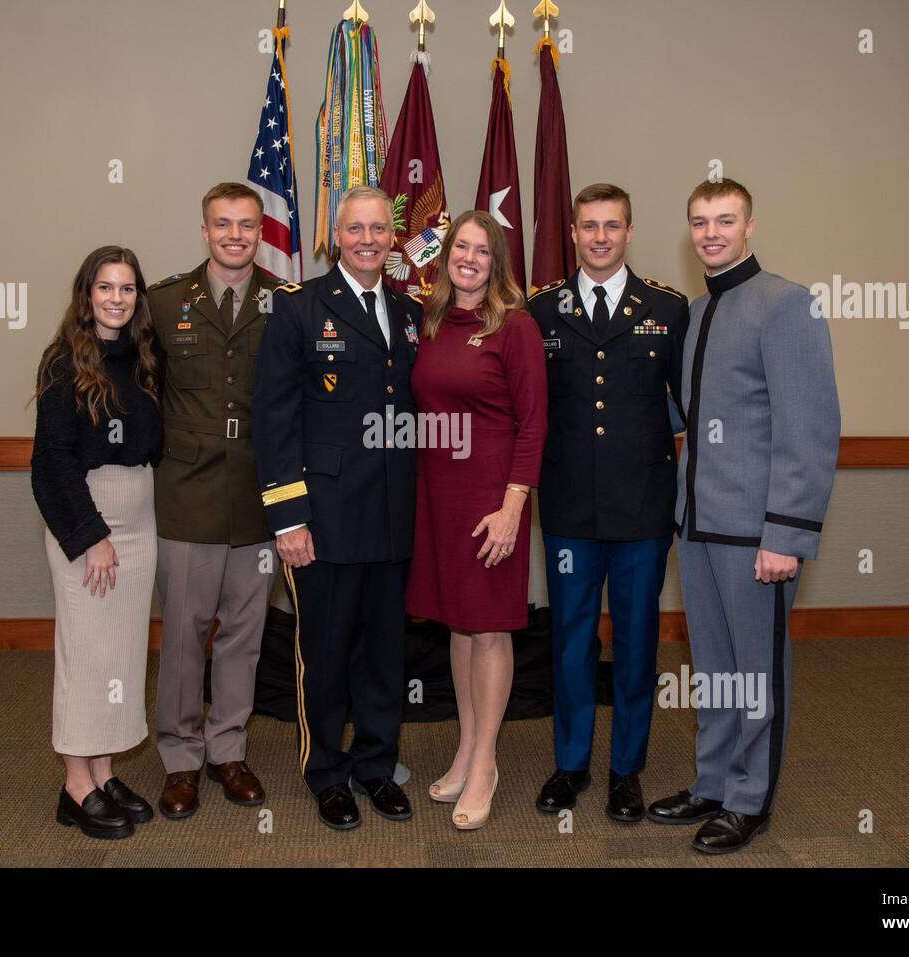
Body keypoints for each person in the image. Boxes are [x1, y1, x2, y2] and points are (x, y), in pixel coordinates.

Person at [647, 179, 840, 853]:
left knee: (757, 670)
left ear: (749, 225)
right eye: (699, 221)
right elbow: (684, 414)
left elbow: (809, 428)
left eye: (724, 220)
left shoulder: (786, 304)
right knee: (716, 666)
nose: (710, 232)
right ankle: (713, 781)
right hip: (697, 525)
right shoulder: (697, 313)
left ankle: (750, 798)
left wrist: (785, 534)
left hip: (758, 534)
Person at [251, 185, 425, 831]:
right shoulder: (299, 308)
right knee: (323, 655)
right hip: (321, 519)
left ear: (391, 237)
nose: (369, 239)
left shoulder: (409, 312)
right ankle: (326, 772)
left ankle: (376, 765)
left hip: (391, 516)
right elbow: (273, 420)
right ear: (336, 235)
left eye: (379, 229)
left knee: (384, 653)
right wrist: (287, 518)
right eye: (356, 228)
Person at [526, 183, 688, 823]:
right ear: (572, 232)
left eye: (612, 226)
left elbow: (689, 407)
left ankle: (627, 770)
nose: (599, 236)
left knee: (638, 640)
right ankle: (570, 766)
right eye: (588, 226)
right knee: (568, 641)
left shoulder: (668, 310)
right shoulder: (542, 311)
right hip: (568, 508)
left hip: (643, 509)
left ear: (629, 231)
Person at [406, 210, 546, 830]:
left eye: (482, 251)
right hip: (439, 498)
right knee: (459, 628)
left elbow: (533, 423)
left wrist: (514, 506)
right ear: (445, 255)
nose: (469, 258)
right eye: (460, 247)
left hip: (492, 500)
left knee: (489, 629)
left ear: (498, 263)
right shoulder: (432, 322)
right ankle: (466, 746)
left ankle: (486, 761)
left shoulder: (515, 328)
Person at [147, 183, 283, 818]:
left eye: (247, 225)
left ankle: (229, 748)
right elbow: (139, 392)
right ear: (204, 230)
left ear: (262, 233)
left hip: (257, 494)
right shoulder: (164, 301)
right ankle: (180, 758)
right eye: (223, 224)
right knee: (183, 635)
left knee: (243, 636)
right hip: (188, 493)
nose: (235, 235)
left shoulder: (285, 304)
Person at [31, 245, 164, 839]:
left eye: (127, 288)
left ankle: (106, 771)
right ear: (87, 295)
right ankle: (75, 784)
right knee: (86, 652)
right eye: (105, 288)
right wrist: (92, 538)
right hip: (88, 520)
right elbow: (51, 463)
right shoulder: (64, 363)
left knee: (123, 652)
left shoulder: (141, 359)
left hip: (141, 517)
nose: (116, 298)